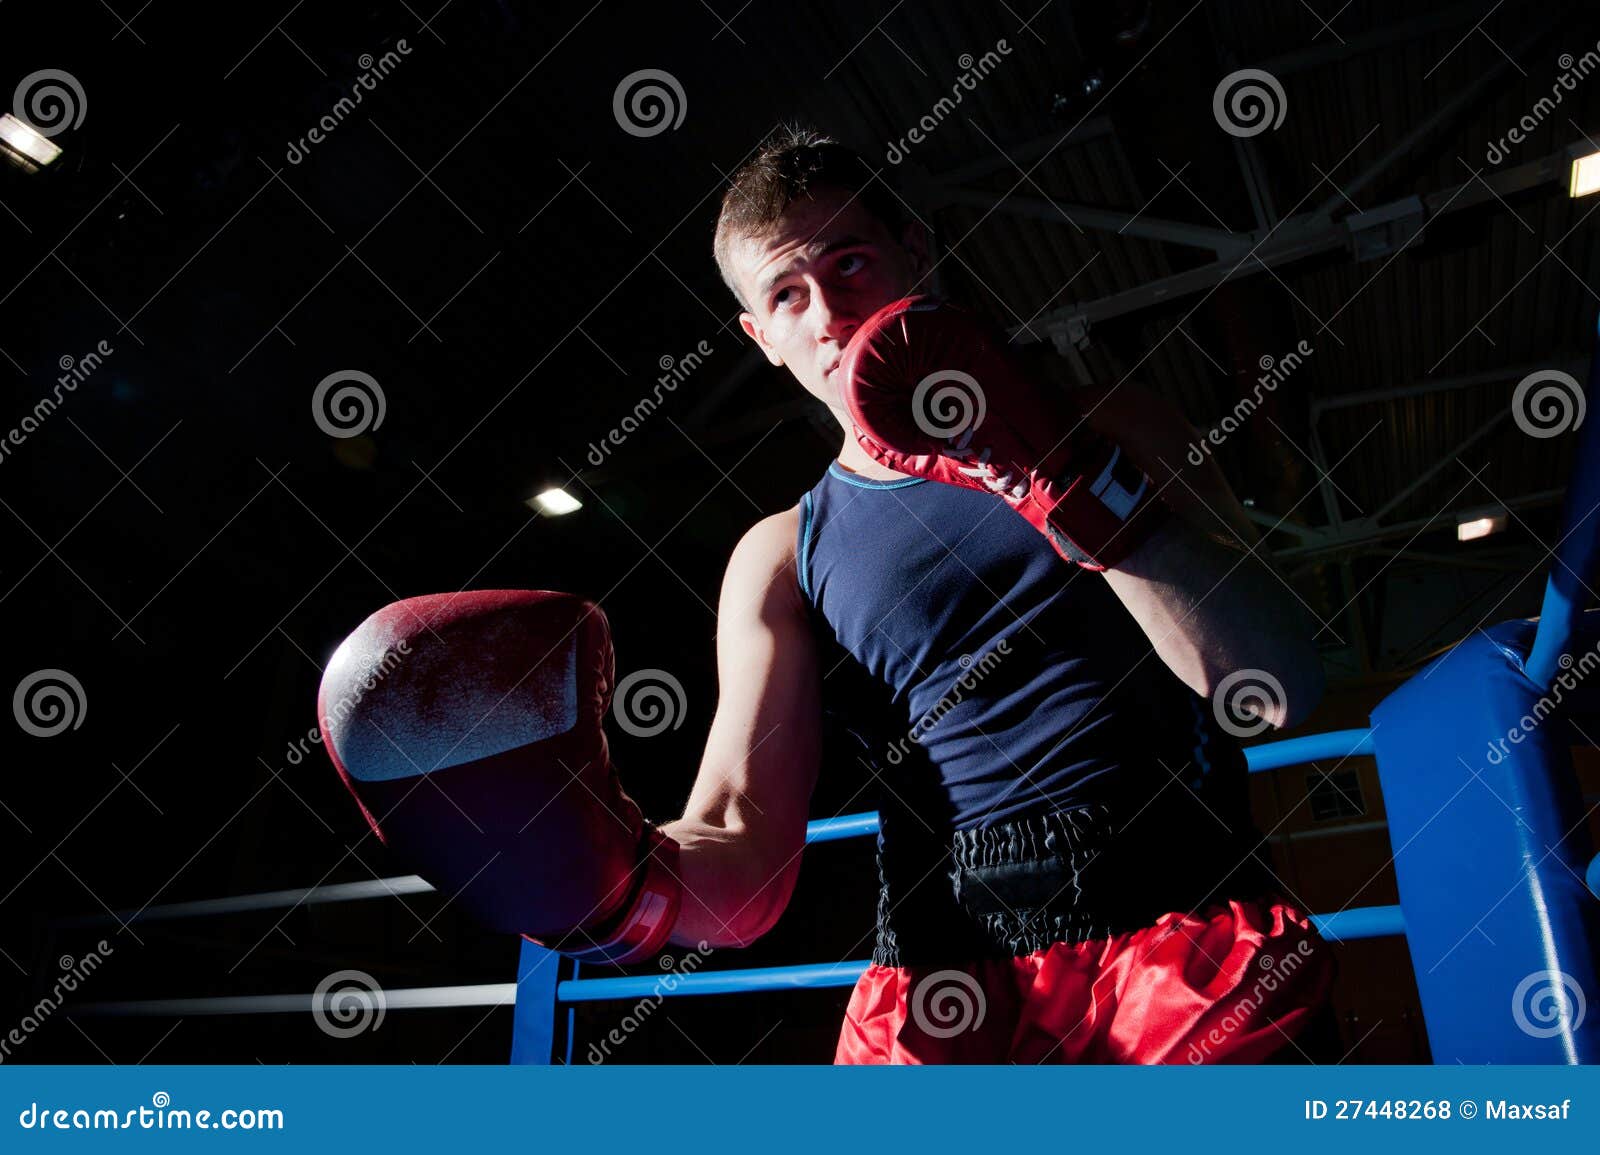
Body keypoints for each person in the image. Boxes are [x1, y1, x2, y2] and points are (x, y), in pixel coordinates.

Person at [318, 125, 1338, 1065]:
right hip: (943, 988)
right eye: (788, 294)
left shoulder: (1111, 422)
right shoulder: (781, 553)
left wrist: (1077, 490)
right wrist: (610, 892)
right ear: (758, 336)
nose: (830, 312)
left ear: (913, 249)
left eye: (848, 261)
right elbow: (743, 843)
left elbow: (1276, 684)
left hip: (1185, 943)